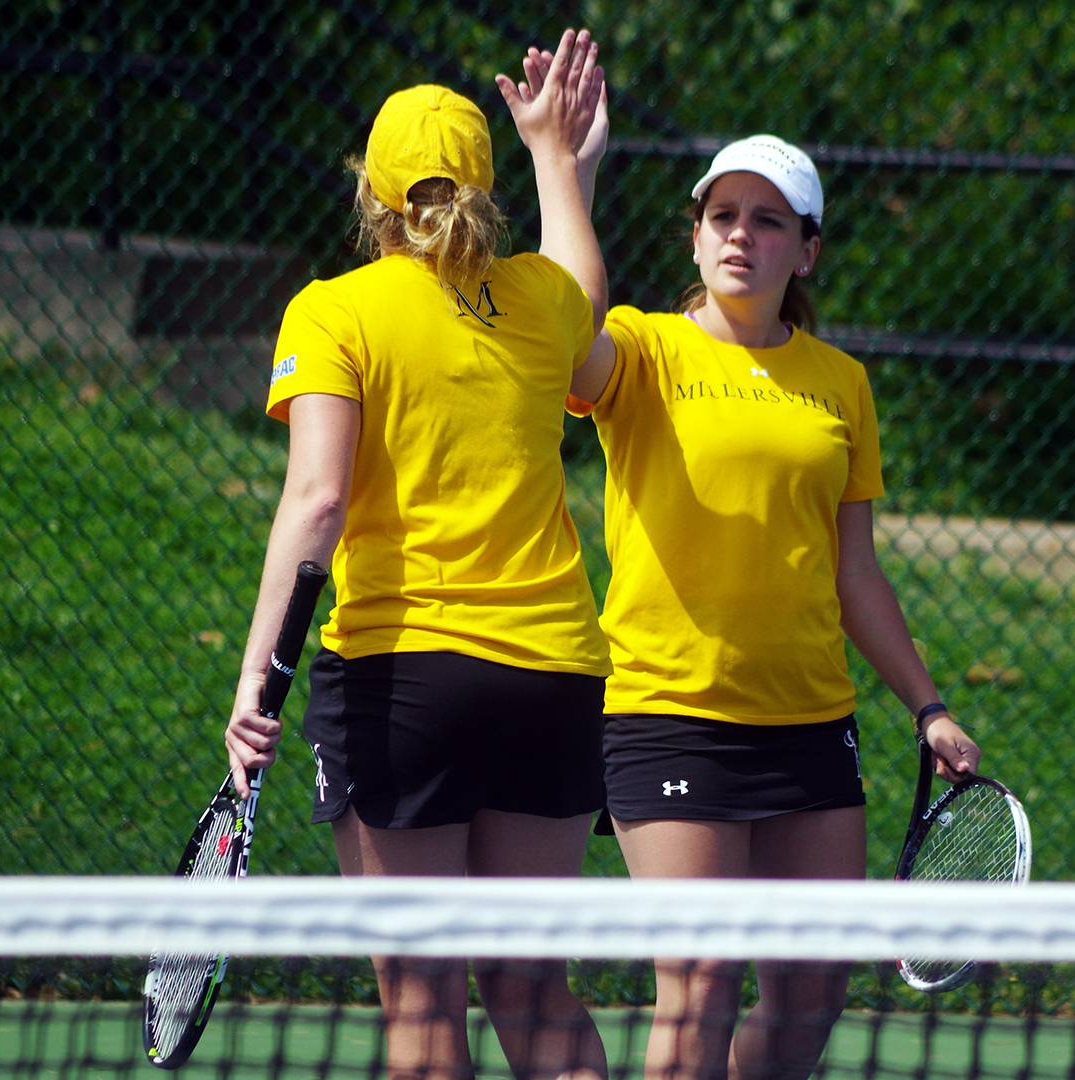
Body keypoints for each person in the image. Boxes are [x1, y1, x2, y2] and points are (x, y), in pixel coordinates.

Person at [224, 33, 611, 1080]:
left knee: (423, 999)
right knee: (532, 988)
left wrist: (256, 678)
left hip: (405, 682)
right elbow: (586, 289)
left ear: (373, 197)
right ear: (485, 192)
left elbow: (317, 503)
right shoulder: (541, 303)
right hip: (556, 678)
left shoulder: (335, 310)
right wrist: (560, 158)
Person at [566, 134, 987, 1080]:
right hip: (669, 717)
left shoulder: (842, 383)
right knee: (701, 979)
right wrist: (569, 172)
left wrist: (929, 707)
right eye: (722, 217)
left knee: (810, 996)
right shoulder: (640, 347)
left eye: (767, 220)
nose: (741, 237)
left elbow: (855, 573)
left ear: (808, 249)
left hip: (809, 726)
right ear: (695, 238)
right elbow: (566, 338)